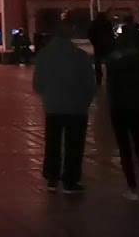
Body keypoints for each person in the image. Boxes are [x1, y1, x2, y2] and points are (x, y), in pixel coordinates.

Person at [33, 20, 97, 193]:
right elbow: (89, 83)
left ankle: (52, 177)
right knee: (74, 145)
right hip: (76, 107)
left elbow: (38, 83)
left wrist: (48, 97)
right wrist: (85, 101)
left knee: (52, 142)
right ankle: (70, 180)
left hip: (53, 106)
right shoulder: (80, 56)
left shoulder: (44, 55)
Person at [105, 25, 139, 199]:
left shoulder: (113, 59)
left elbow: (110, 85)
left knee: (124, 147)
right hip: (136, 104)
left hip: (119, 106)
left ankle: (132, 186)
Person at [88, 12, 115, 87]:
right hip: (106, 46)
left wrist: (94, 43)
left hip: (98, 46)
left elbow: (90, 34)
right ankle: (109, 80)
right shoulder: (107, 23)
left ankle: (98, 80)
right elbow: (111, 34)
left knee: (98, 64)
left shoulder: (94, 23)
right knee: (108, 64)